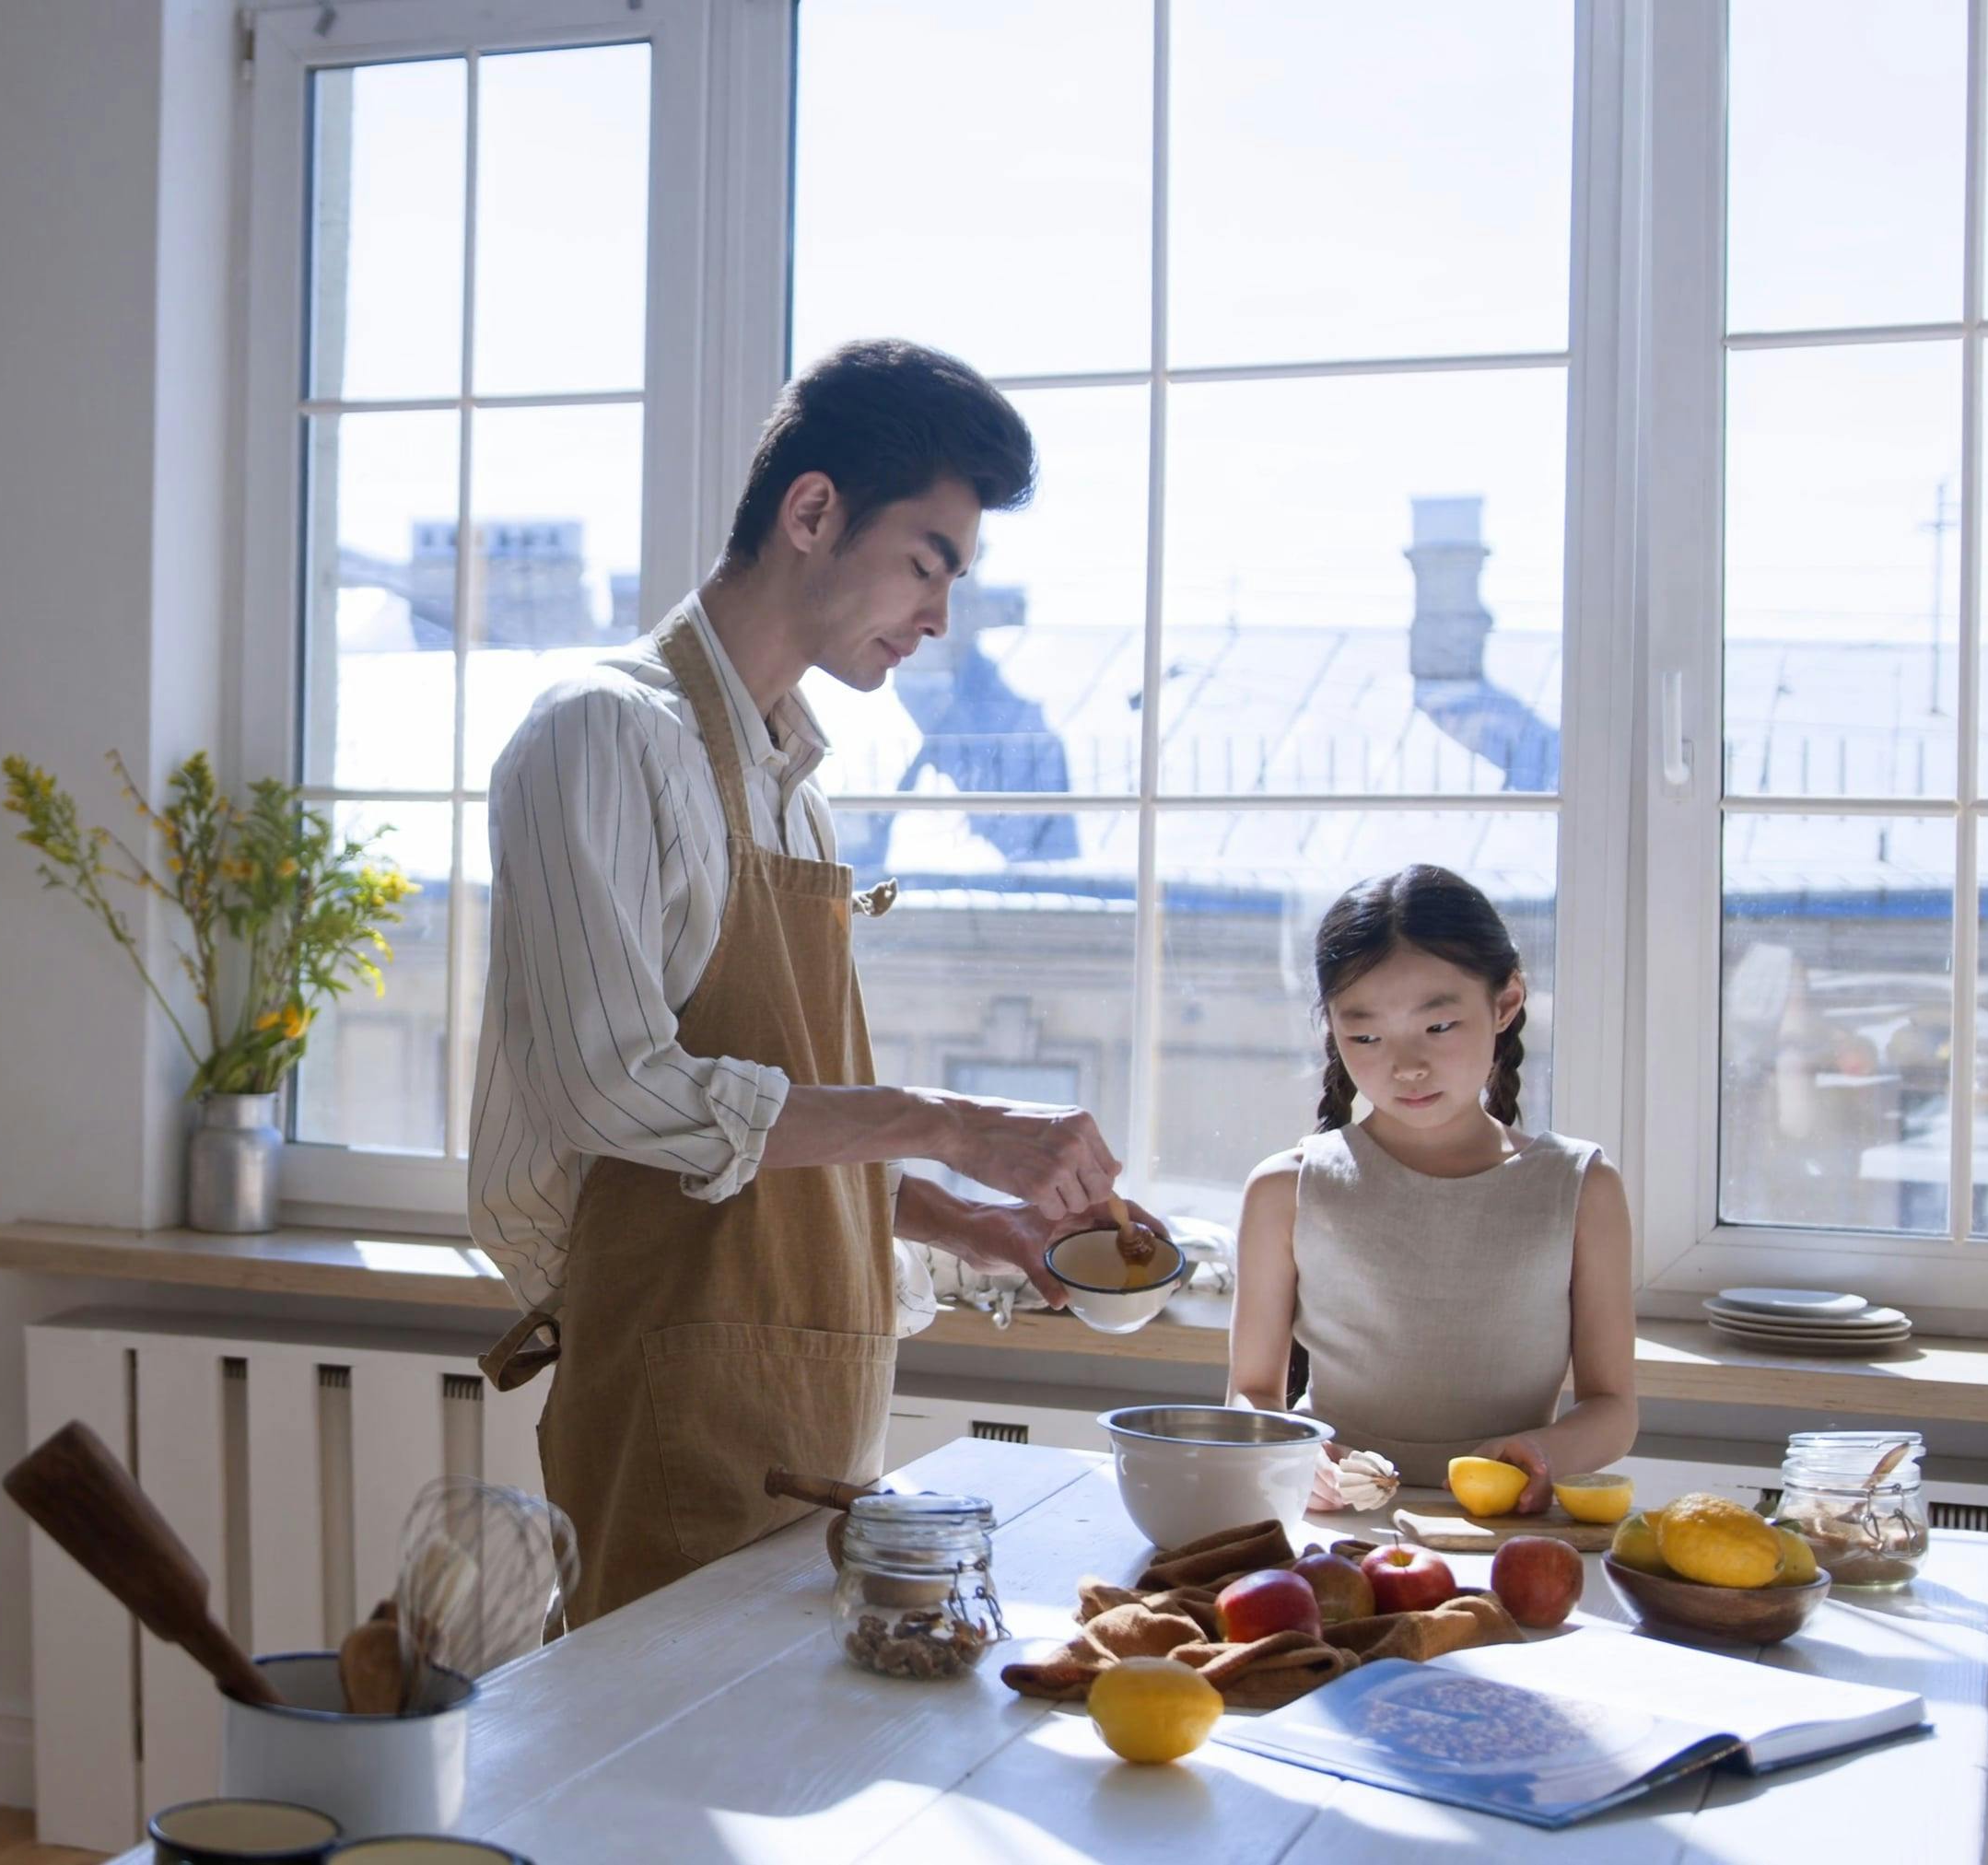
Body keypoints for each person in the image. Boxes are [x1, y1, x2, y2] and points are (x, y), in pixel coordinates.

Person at [467, 339, 1158, 1624]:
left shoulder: (801, 800)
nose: (941, 615)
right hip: (675, 1392)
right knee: (659, 1808)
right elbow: (612, 1092)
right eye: (927, 561)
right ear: (812, 510)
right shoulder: (604, 734)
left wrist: (966, 1224)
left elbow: (773, 1125)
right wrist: (953, 1123)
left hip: (820, 1396)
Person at [1224, 865, 1638, 1514]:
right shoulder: (1286, 1188)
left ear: (1505, 1003)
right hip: (1336, 1529)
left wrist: (1544, 1452)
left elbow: (1613, 1409)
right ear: (1331, 1027)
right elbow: (1250, 1392)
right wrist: (1289, 1450)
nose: (1407, 1065)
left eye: (1438, 1026)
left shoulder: (1581, 1187)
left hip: (1509, 1531)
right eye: (1365, 1035)